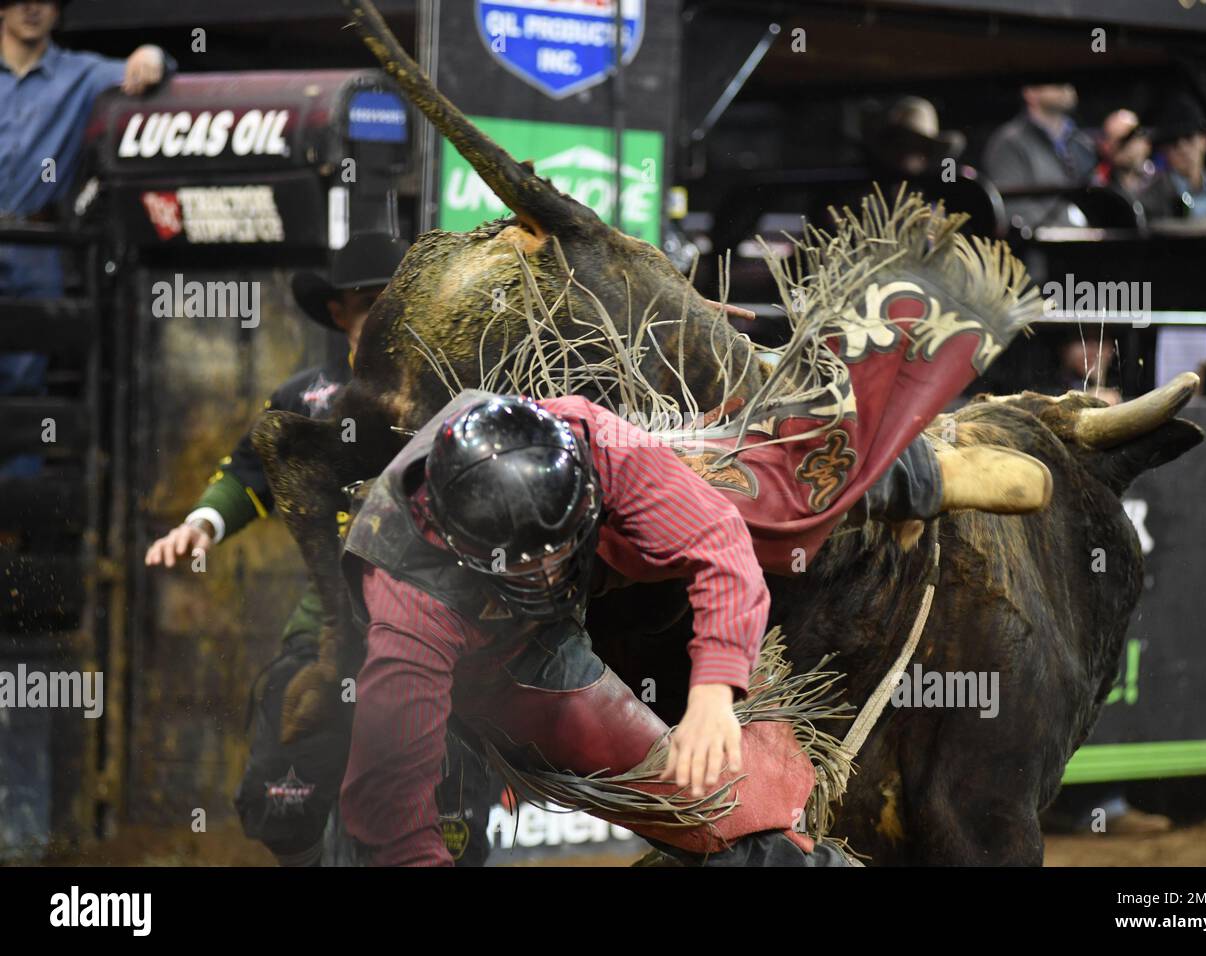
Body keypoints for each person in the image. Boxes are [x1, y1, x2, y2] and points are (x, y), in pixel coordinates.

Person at [335, 385, 1052, 866]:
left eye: (562, 550)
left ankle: (909, 476)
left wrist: (714, 692)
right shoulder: (416, 611)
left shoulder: (593, 439)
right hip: (515, 647)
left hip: (611, 533)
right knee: (717, 810)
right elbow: (388, 801)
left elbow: (715, 539)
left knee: (731, 474)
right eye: (535, 563)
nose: (554, 571)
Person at [143, 234, 463, 868]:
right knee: (280, 792)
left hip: (442, 615)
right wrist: (202, 525)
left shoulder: (454, 390)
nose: (378, 317)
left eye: (390, 302)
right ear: (339, 312)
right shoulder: (306, 398)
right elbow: (248, 470)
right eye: (364, 303)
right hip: (331, 612)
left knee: (449, 805)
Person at [1, 0, 174, 476]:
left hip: (34, 240)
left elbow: (153, 66)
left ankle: (15, 520)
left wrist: (152, 55)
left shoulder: (80, 74)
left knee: (24, 377)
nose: (32, 8)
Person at [983, 83, 1097, 232]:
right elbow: (1014, 211)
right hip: (1044, 250)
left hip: (1087, 245)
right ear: (1030, 92)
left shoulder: (1082, 143)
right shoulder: (1009, 143)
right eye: (1054, 79)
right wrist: (1071, 235)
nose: (1066, 86)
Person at [1138, 96, 1206, 220]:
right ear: (1164, 151)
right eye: (1174, 143)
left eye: (1189, 138)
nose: (1183, 149)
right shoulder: (1149, 201)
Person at [1091, 109, 1153, 200]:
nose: (1128, 147)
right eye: (1111, 140)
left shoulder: (1162, 182)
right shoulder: (1098, 185)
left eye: (1130, 138)